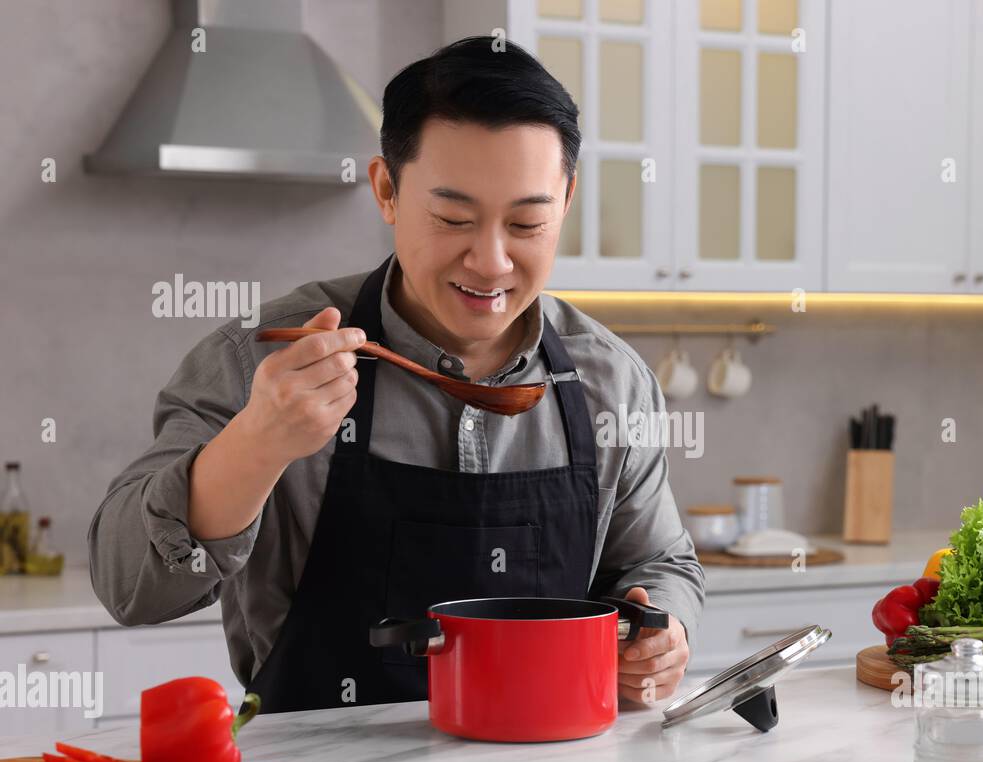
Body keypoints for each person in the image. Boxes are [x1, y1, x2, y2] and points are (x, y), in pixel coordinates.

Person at [88, 37, 703, 714]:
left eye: (528, 222)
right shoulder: (262, 358)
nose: (492, 261)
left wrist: (662, 631)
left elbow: (662, 564)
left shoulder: (610, 380)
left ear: (567, 198)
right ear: (387, 189)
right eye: (453, 219)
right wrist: (256, 444)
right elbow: (128, 587)